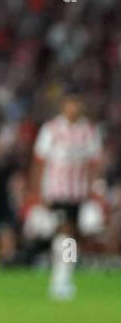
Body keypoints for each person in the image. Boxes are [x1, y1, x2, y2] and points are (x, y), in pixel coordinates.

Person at [30, 95, 104, 300]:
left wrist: (94, 190)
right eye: (70, 103)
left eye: (77, 103)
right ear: (63, 105)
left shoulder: (89, 131)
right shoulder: (51, 129)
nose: (74, 107)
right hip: (56, 190)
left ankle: (63, 275)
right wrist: (37, 191)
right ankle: (60, 279)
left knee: (70, 235)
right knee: (65, 231)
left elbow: (94, 163)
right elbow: (39, 161)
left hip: (78, 192)